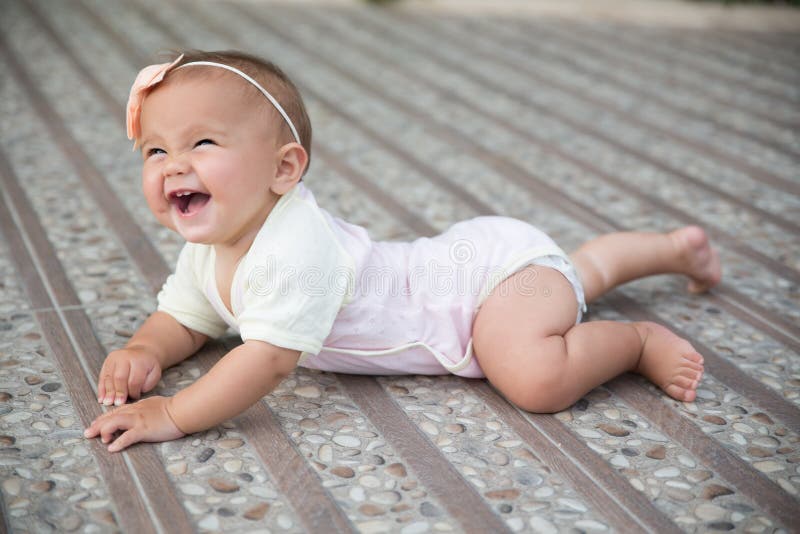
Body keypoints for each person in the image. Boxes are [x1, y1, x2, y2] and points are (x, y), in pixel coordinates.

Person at [84, 50, 721, 453]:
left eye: (202, 143)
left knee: (536, 376)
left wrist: (174, 412)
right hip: (479, 269)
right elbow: (186, 316)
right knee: (569, 277)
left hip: (474, 295)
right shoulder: (210, 247)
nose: (173, 166)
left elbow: (266, 361)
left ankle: (635, 341)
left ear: (284, 169)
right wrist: (146, 349)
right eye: (156, 150)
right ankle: (670, 250)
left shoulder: (294, 246)